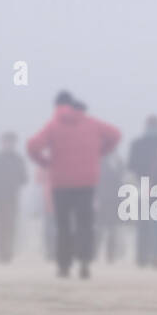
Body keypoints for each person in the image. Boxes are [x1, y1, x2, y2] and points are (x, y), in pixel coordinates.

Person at [26, 91, 122, 279]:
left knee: (63, 225)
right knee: (85, 224)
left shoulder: (53, 126)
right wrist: (100, 152)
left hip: (60, 181)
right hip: (86, 181)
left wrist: (45, 162)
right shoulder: (92, 124)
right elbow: (116, 135)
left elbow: (32, 145)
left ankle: (63, 265)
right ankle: (85, 262)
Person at [126, 115, 157, 268]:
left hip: (142, 186)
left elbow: (131, 166)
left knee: (142, 223)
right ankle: (156, 256)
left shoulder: (137, 144)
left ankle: (142, 256)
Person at [0, 131, 28, 263]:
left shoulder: (18, 159)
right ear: (2, 143)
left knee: (10, 225)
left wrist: (16, 180)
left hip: (13, 196)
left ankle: (7, 252)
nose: (9, 144)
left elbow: (24, 178)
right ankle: (1, 251)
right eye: (6, 141)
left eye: (11, 142)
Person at [95, 152, 126, 263]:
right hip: (103, 200)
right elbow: (97, 181)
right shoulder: (100, 161)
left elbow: (122, 180)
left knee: (113, 230)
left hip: (114, 200)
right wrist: (96, 198)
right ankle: (95, 253)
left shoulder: (119, 162)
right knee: (100, 229)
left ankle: (110, 255)